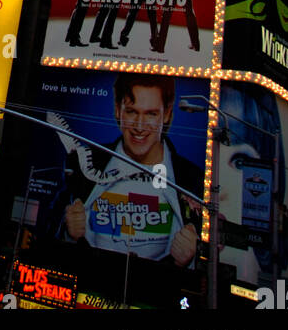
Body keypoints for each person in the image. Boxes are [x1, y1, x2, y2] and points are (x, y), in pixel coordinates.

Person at [54, 73, 201, 266]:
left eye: (151, 114)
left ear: (166, 114)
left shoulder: (192, 177)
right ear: (118, 110)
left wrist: (189, 259)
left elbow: (210, 260)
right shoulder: (86, 162)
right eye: (132, 111)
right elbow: (47, 232)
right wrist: (68, 234)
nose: (139, 126)